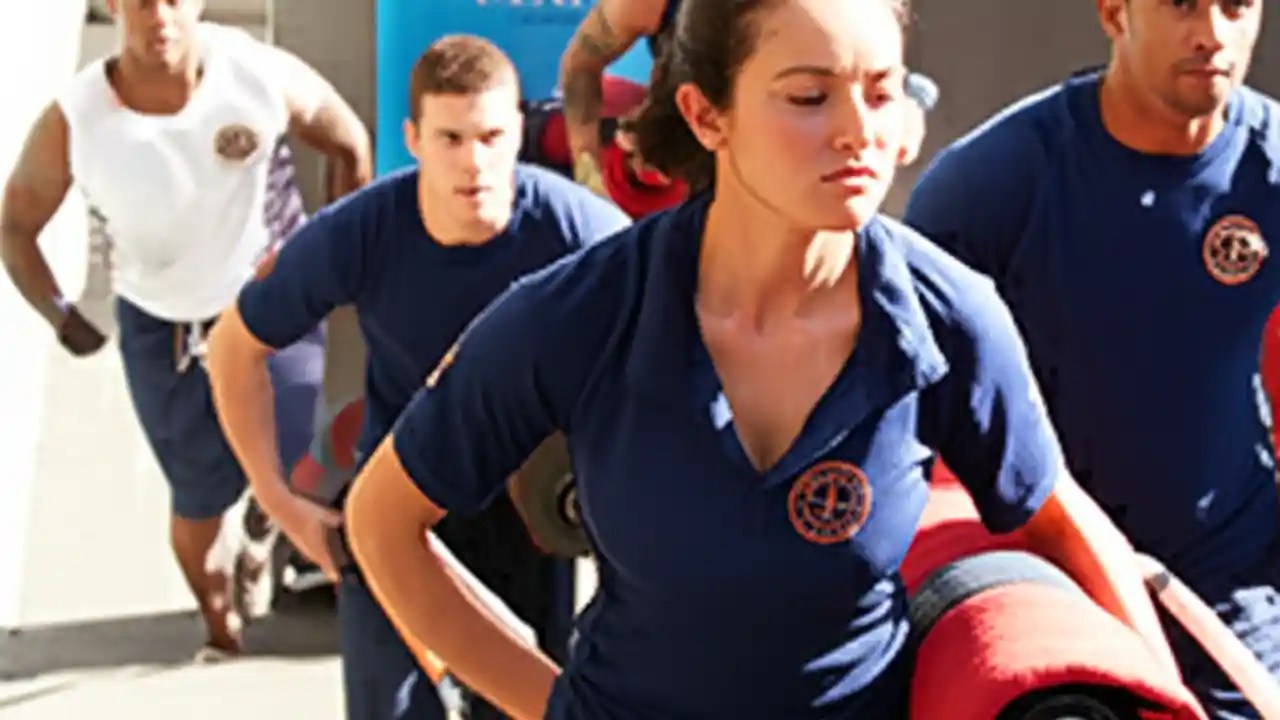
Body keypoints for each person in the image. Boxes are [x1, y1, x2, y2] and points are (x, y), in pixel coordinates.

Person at [342, 1, 1183, 718]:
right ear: (708, 116)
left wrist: (1165, 702)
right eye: (810, 97)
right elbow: (382, 521)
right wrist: (551, 703)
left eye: (882, 92)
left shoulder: (947, 317)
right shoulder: (582, 311)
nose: (860, 130)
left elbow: (1063, 523)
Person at [205, 35, 632, 720]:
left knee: (532, 709)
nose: (475, 161)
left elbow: (675, 356)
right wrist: (281, 501)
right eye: (451, 138)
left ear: (519, 131)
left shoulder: (583, 236)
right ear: (414, 138)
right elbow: (234, 347)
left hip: (526, 518)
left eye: (492, 136)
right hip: (395, 506)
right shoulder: (366, 230)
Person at [902, 0, 1279, 716]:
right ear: (1114, 12)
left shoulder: (1272, 164)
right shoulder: (994, 180)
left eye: (1236, 6)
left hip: (1234, 583)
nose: (1212, 33)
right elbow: (899, 415)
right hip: (1048, 582)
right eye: (1181, 5)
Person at [0, 0, 372, 661]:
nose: (160, 17)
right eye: (141, 1)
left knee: (294, 471)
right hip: (162, 328)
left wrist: (331, 263)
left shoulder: (254, 73)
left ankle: (265, 531)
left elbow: (347, 140)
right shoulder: (76, 120)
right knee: (198, 506)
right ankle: (220, 628)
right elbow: (15, 225)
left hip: (267, 313)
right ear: (113, 7)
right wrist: (60, 315)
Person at [557, 0, 939, 196]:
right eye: (807, 96)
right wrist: (589, 174)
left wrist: (903, 104)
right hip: (698, 171)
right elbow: (580, 65)